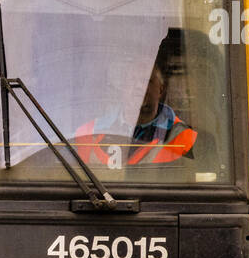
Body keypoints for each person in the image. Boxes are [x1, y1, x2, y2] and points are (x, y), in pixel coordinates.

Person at [73, 33, 198, 165]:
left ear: (161, 90)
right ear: (123, 87)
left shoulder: (183, 137)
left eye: (147, 80)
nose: (139, 87)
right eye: (133, 79)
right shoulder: (89, 133)